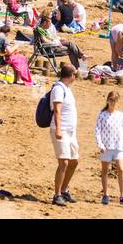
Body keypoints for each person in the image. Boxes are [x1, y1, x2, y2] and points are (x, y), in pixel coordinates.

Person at [50, 62, 79, 208]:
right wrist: (59, 130)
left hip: (71, 132)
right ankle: (57, 195)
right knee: (64, 163)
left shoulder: (67, 88)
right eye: (75, 74)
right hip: (61, 130)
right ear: (71, 75)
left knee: (74, 162)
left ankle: (64, 189)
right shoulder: (58, 89)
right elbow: (57, 110)